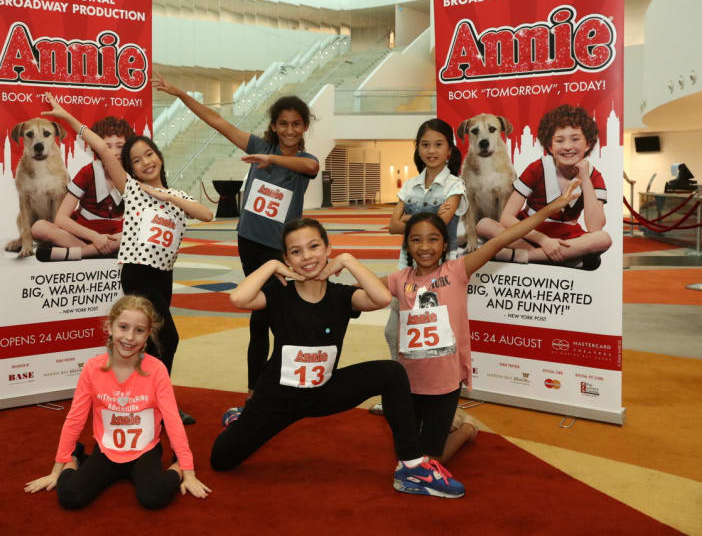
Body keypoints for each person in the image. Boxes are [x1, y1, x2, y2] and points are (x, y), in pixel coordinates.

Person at [211, 217, 467, 498]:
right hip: (278, 399)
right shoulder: (279, 293)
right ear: (287, 258)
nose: (307, 256)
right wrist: (272, 265)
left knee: (391, 373)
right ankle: (242, 418)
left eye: (314, 246)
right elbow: (238, 298)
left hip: (324, 392)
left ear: (327, 248)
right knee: (221, 460)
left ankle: (412, 467)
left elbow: (381, 298)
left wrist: (346, 259)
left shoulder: (341, 297)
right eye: (295, 252)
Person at [384, 178, 582, 470]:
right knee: (406, 455)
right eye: (415, 240)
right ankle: (438, 430)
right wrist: (335, 267)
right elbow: (364, 293)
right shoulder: (399, 280)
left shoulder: (458, 270)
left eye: (433, 239)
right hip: (409, 382)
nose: (424, 247)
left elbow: (505, 236)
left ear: (444, 244)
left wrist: (553, 207)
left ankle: (466, 430)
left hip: (444, 384)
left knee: (428, 461)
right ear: (407, 245)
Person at [42, 93, 213, 424]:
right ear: (129, 168)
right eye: (136, 160)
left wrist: (164, 194)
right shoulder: (132, 190)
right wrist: (67, 117)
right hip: (137, 273)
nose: (146, 162)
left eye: (149, 154)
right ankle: (162, 405)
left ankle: (138, 399)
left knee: (150, 341)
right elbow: (105, 151)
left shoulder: (176, 196)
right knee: (168, 336)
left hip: (163, 275)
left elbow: (205, 213)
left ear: (159, 156)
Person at [152, 72, 319, 397]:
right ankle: (257, 389)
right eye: (283, 124)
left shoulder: (302, 161)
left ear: (304, 128)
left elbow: (312, 169)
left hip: (282, 249)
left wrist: (270, 159)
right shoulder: (257, 145)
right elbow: (216, 121)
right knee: (261, 314)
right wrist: (179, 93)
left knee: (275, 317)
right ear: (273, 126)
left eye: (296, 124)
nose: (289, 130)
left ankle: (272, 384)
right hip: (251, 243)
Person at [24, 295, 211, 508]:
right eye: (123, 327)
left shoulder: (157, 370)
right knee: (70, 496)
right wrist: (56, 471)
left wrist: (188, 471)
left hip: (145, 451)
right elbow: (75, 419)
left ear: (148, 334)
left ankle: (175, 466)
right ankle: (75, 458)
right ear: (110, 327)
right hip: (106, 451)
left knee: (153, 497)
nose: (130, 337)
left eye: (139, 330)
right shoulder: (92, 369)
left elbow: (173, 421)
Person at [372, 118, 467, 416]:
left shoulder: (455, 185)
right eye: (425, 144)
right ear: (418, 148)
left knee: (437, 339)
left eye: (438, 144)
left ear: (450, 149)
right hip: (407, 270)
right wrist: (423, 220)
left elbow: (440, 225)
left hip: (439, 275)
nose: (431, 150)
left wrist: (412, 222)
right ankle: (400, 394)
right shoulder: (411, 185)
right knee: (394, 333)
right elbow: (391, 225)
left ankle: (439, 404)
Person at [476, 105, 611, 268]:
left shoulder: (593, 176)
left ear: (588, 144)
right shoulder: (537, 168)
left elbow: (595, 226)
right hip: (527, 233)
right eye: (559, 140)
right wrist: (544, 240)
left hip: (566, 237)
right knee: (484, 224)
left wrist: (585, 178)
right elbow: (507, 217)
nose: (567, 146)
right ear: (550, 146)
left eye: (575, 139)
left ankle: (524, 256)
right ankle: (566, 260)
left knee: (603, 239)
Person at [32, 116, 135, 261]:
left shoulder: (132, 174)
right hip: (82, 231)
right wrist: (95, 237)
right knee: (39, 227)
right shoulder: (88, 172)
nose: (114, 152)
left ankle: (82, 253)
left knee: (136, 231)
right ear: (96, 146)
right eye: (107, 146)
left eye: (120, 146)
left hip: (114, 234)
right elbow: (61, 219)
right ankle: (103, 253)